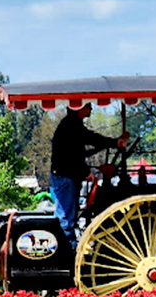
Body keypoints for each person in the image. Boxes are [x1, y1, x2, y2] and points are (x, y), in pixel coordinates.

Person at [50, 103, 128, 251]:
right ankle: (65, 254)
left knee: (67, 218)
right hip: (65, 176)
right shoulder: (72, 126)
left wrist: (111, 143)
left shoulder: (71, 125)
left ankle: (67, 252)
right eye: (88, 106)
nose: (91, 109)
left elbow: (85, 145)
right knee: (66, 219)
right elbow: (80, 149)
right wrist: (85, 171)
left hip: (66, 175)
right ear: (79, 108)